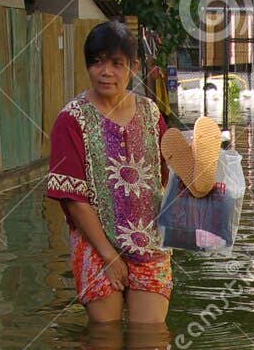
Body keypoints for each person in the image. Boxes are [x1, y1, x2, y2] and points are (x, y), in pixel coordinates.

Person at [46, 20, 172, 326]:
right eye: (97, 62)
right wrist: (109, 255)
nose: (106, 72)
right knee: (106, 344)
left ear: (134, 67)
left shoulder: (150, 113)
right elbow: (74, 198)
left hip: (149, 242)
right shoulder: (72, 119)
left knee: (151, 341)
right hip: (95, 244)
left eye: (117, 64)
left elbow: (167, 177)